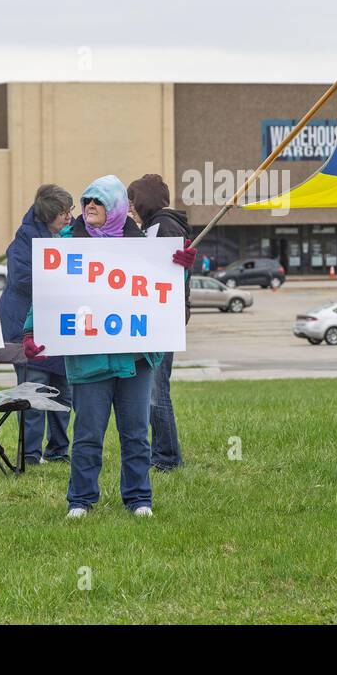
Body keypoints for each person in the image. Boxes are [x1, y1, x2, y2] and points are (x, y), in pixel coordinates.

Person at [21, 175, 193, 518]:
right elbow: (49, 295)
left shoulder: (142, 244)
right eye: (86, 202)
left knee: (135, 435)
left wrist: (182, 270)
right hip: (89, 360)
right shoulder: (67, 245)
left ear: (114, 206)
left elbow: (164, 291)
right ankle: (80, 500)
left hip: (136, 360)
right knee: (87, 434)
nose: (90, 208)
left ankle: (139, 498)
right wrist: (32, 331)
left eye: (98, 202)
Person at [0, 184, 75, 465]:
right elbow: (22, 280)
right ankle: (31, 454)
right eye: (64, 213)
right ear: (49, 216)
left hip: (59, 327)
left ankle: (58, 450)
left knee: (63, 391)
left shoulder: (71, 235)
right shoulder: (24, 240)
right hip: (26, 326)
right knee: (35, 391)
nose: (69, 218)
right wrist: (62, 284)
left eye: (70, 211)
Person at [127, 173, 193, 471]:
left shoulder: (164, 226)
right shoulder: (155, 226)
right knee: (153, 389)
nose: (130, 207)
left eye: (133, 200)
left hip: (163, 319)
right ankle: (164, 454)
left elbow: (169, 272)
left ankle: (166, 458)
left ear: (144, 200)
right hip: (158, 317)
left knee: (156, 390)